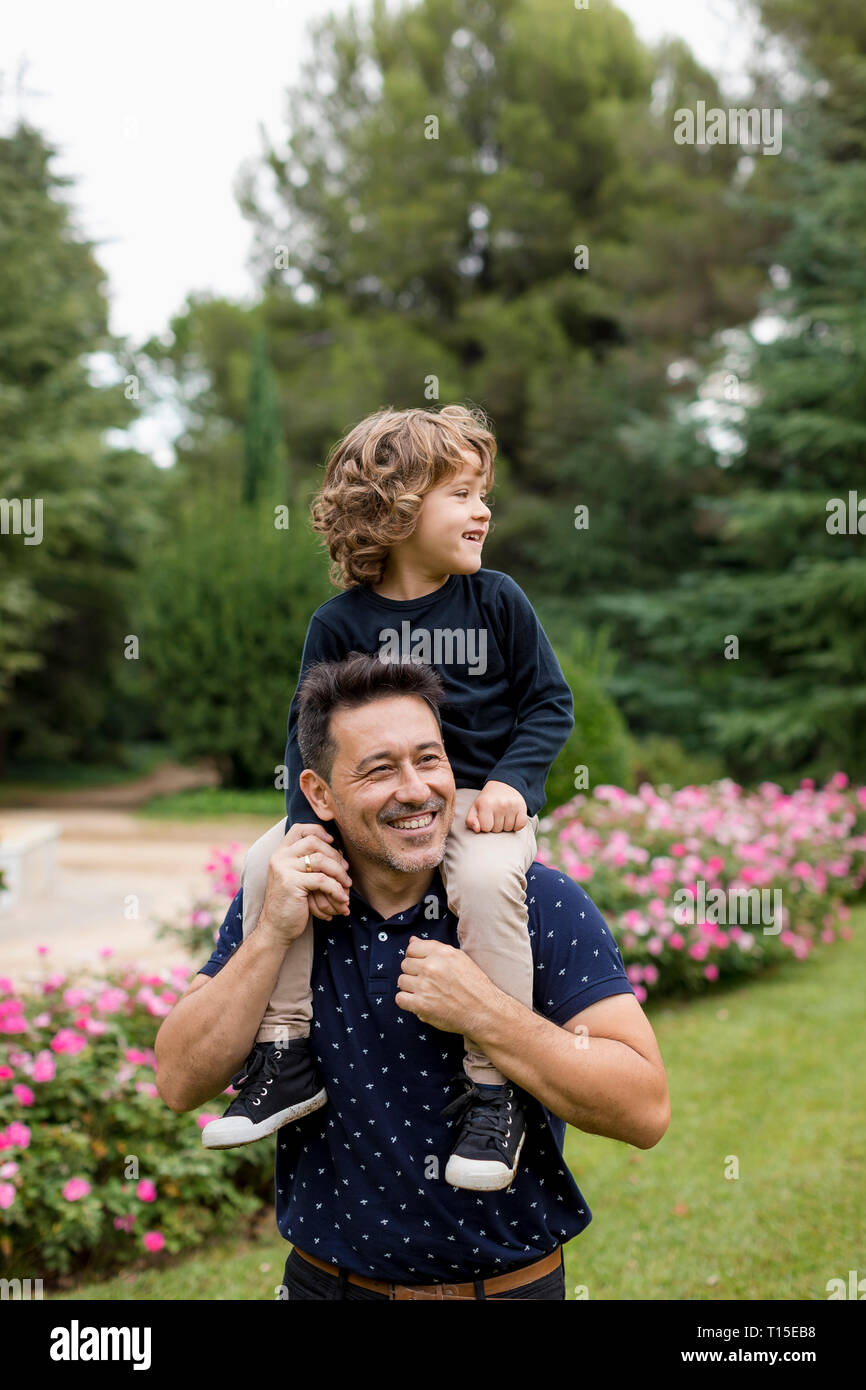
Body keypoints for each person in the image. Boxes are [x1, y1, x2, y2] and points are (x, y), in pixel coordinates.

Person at [154, 653, 670, 1301]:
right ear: (319, 795)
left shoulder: (535, 901)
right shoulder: (289, 901)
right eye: (378, 770)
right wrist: (268, 936)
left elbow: (644, 1108)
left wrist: (486, 1012)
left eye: (430, 759)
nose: (416, 790)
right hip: (324, 1288)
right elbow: (178, 1079)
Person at [199, 403, 575, 1193]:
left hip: (476, 805)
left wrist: (513, 783)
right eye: (463, 495)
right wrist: (310, 831)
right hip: (368, 803)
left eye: (485, 496)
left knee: (482, 880)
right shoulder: (338, 623)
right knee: (274, 863)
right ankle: (285, 1053)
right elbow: (307, 735)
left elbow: (549, 705)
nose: (484, 512)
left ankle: (494, 1090)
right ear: (397, 510)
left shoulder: (499, 601)